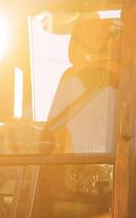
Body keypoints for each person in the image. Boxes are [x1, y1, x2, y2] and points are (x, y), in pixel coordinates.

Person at [46, 16, 121, 153]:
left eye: (75, 41)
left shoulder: (72, 81)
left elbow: (51, 140)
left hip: (75, 165)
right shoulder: (123, 78)